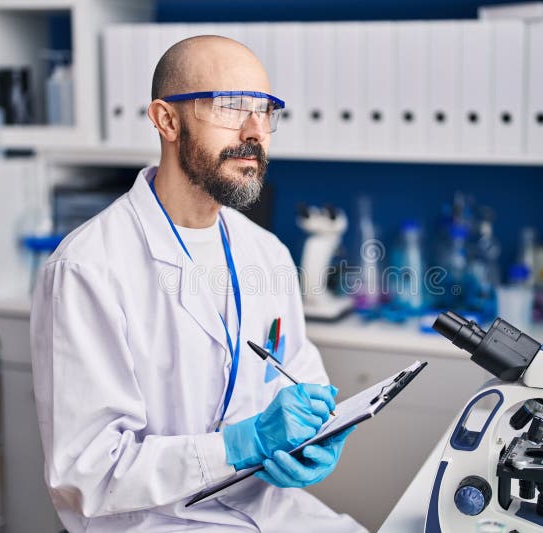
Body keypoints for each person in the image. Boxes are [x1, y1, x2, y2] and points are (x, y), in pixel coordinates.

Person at [30, 35, 365, 532]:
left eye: (265, 111)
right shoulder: (86, 269)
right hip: (155, 523)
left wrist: (317, 435)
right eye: (231, 107)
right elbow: (86, 473)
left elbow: (299, 375)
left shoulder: (266, 252)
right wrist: (237, 445)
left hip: (268, 509)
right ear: (167, 120)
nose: (255, 131)